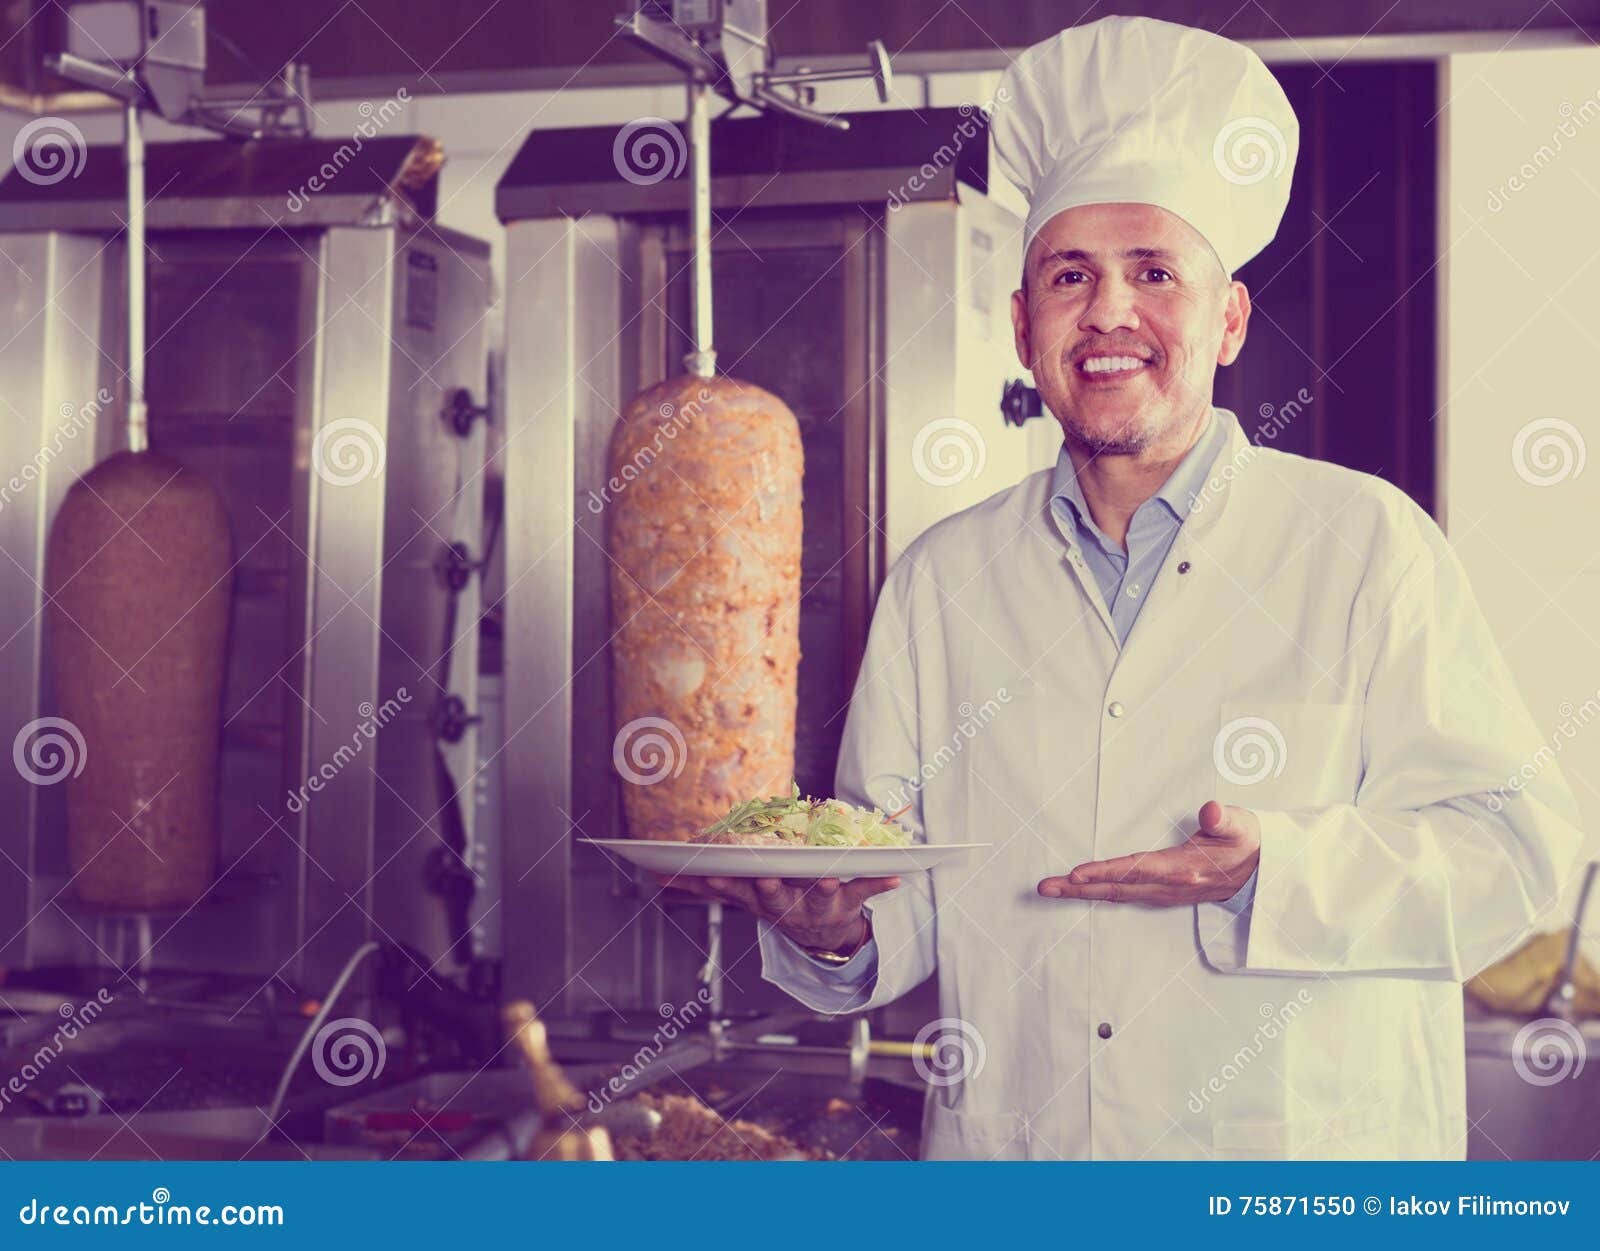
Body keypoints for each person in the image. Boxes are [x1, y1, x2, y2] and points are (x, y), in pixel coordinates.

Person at [660, 15, 1584, 1160]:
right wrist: (832, 924)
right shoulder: (942, 580)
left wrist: (1272, 872)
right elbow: (894, 901)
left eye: (1153, 272)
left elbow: (1513, 859)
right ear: (1022, 326)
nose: (1107, 313)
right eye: (1070, 276)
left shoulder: (1366, 545)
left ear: (1227, 320)